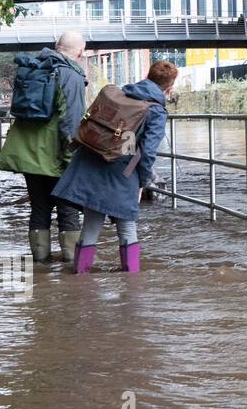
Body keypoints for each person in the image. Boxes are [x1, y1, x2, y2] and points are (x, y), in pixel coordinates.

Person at [55, 60, 176, 274]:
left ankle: (80, 279)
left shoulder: (122, 94)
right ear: (169, 88)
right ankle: (131, 284)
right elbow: (147, 152)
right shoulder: (156, 110)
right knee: (127, 226)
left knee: (90, 226)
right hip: (123, 171)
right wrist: (144, 180)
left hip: (92, 161)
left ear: (147, 77)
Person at [0, 31, 89, 263]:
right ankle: (71, 267)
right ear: (80, 52)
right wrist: (72, 159)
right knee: (68, 209)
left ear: (56, 46)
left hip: (27, 153)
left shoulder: (34, 68)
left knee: (39, 207)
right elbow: (71, 121)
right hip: (55, 153)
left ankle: (40, 265)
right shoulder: (71, 74)